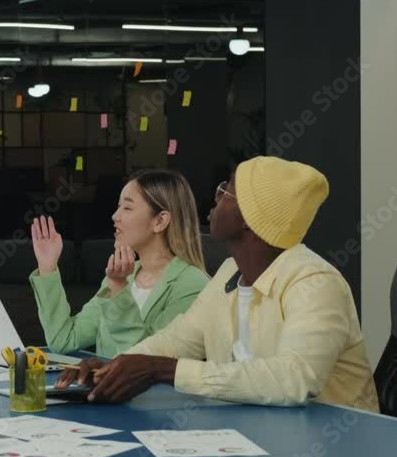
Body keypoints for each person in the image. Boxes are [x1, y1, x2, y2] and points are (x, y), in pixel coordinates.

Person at [56, 157, 380, 412]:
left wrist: (163, 370)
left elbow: (295, 379)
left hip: (332, 446)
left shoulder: (314, 283)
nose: (216, 196)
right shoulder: (229, 273)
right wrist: (114, 367)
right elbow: (178, 339)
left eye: (227, 191)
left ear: (251, 217)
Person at [30, 169, 209, 358]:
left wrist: (118, 288)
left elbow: (144, 361)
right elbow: (64, 339)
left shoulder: (192, 284)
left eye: (127, 208)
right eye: (118, 207)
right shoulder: (124, 275)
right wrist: (48, 267)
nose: (115, 216)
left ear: (160, 221)